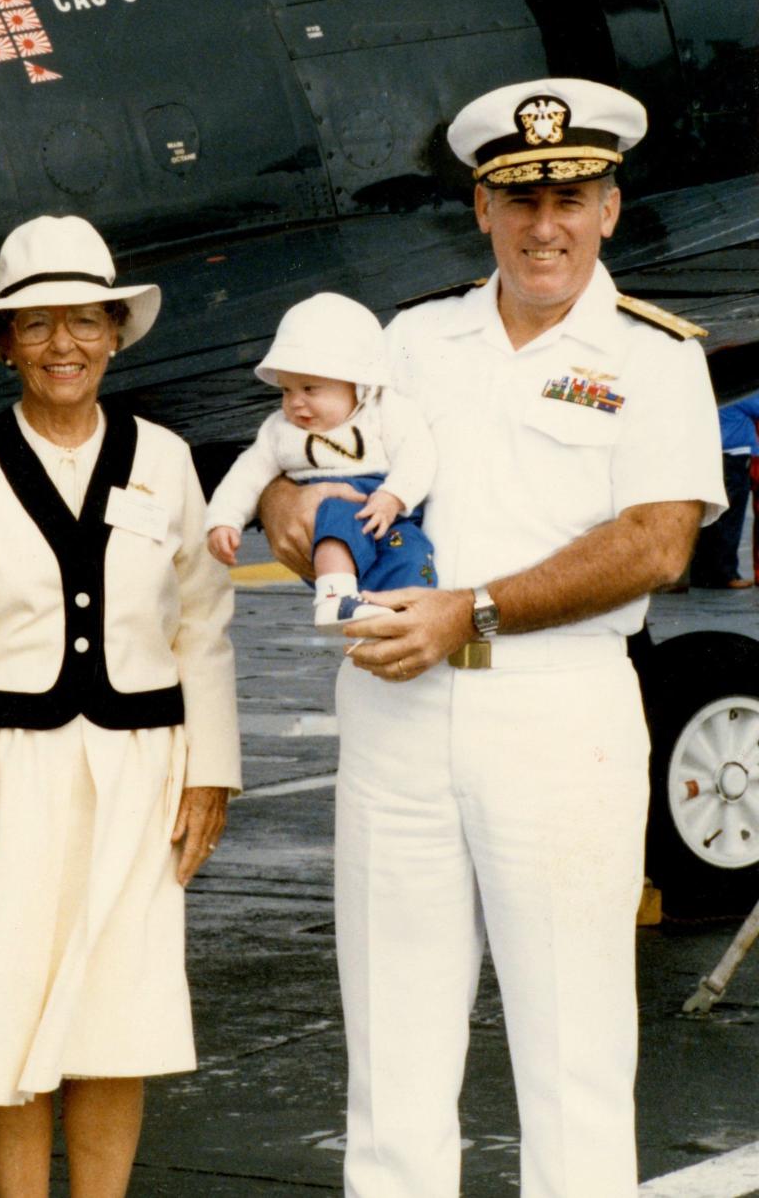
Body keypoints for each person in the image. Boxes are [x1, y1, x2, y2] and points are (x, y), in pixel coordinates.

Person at [259, 78, 726, 1197]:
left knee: (572, 1052)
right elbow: (298, 467)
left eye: (569, 197)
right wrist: (290, 513)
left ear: (610, 207)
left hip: (557, 712)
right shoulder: (410, 341)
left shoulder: (655, 356)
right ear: (481, 208)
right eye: (520, 199)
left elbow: (657, 542)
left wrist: (470, 610)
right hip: (398, 705)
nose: (544, 226)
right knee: (392, 1050)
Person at [0, 214, 240, 1197]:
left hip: (140, 771)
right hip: (1, 775)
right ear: (6, 341)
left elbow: (202, 624)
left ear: (115, 333)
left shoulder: (165, 460)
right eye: (39, 323)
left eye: (86, 321)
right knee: (4, 1008)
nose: (65, 345)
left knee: (115, 1016)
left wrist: (211, 771)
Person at [205, 291, 436, 631]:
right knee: (337, 513)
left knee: (413, 551)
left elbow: (417, 454)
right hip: (331, 513)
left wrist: (394, 495)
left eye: (310, 389)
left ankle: (400, 614)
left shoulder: (386, 411)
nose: (295, 403)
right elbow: (247, 474)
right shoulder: (280, 431)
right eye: (287, 390)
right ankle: (335, 597)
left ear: (358, 385)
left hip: (388, 509)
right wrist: (224, 520)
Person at [689, 392, 759, 588]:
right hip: (734, 455)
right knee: (731, 517)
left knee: (712, 516)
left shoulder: (712, 393)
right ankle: (725, 573)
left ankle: (702, 572)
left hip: (716, 453)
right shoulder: (740, 394)